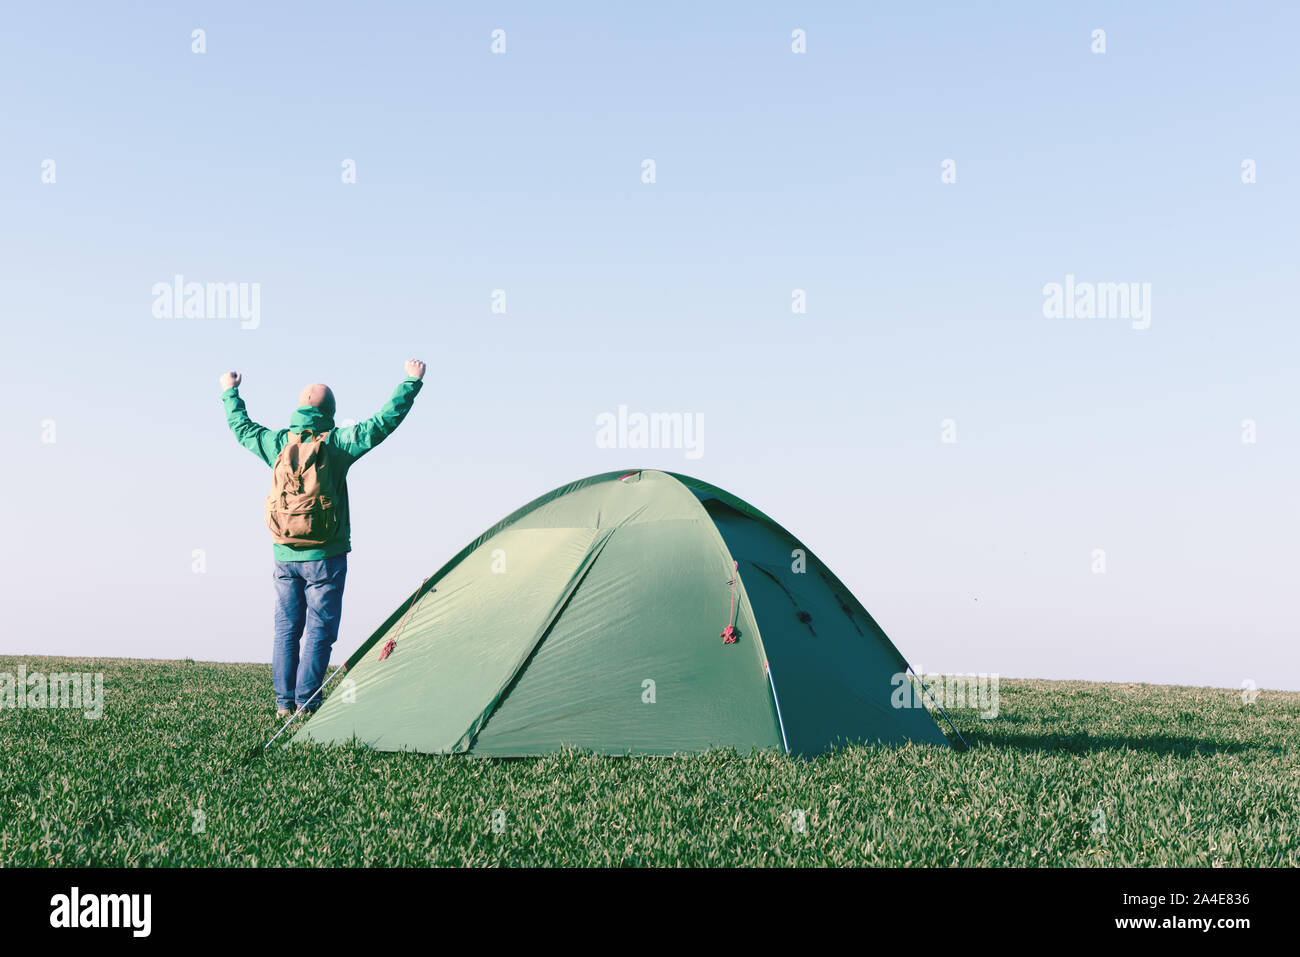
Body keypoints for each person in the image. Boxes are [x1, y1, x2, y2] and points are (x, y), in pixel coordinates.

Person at [220, 361, 425, 717]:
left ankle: (285, 704)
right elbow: (382, 423)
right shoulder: (337, 444)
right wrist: (411, 381)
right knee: (320, 629)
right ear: (331, 414)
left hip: (285, 554)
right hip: (326, 555)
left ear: (299, 409)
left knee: (286, 629)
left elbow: (242, 429)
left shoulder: (278, 444)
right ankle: (307, 702)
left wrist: (229, 391)